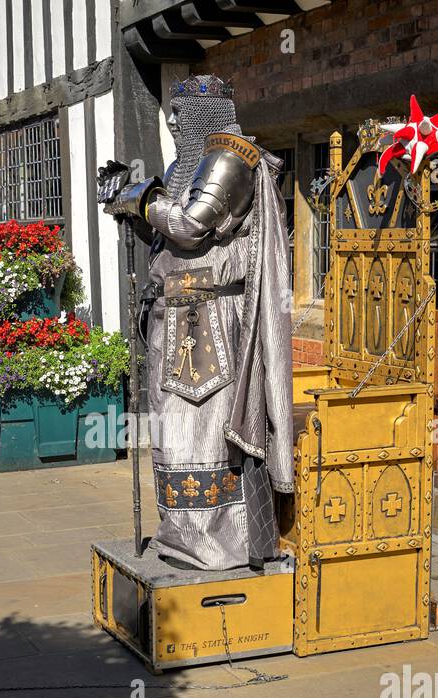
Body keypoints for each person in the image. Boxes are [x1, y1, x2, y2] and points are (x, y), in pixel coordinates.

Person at [97, 74, 294, 571]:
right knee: (174, 435)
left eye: (181, 112)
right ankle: (180, 536)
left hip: (207, 322)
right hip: (180, 317)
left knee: (201, 434)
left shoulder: (231, 159)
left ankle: (217, 544)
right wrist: (135, 201)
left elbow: (189, 225)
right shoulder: (190, 164)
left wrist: (139, 195)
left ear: (207, 114)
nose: (172, 119)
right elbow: (173, 233)